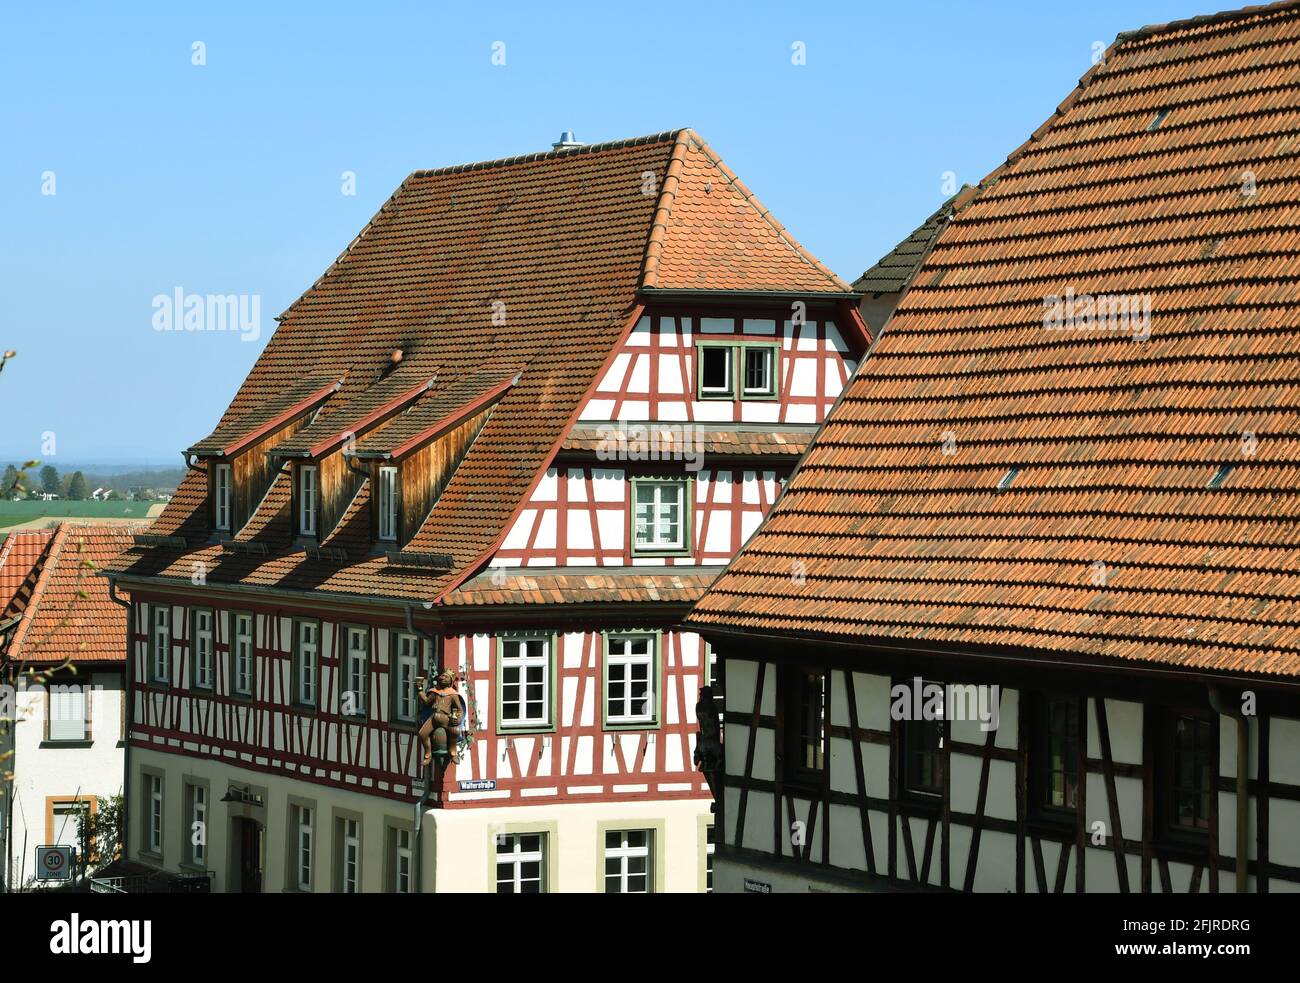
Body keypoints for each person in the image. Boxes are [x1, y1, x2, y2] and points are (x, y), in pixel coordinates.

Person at [417, 669, 466, 767]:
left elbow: (459, 709)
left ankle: (453, 752)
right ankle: (428, 754)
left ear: (450, 681)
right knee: (422, 733)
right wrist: (419, 689)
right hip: (434, 718)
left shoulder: (453, 695)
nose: (443, 678)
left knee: (455, 731)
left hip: (446, 719)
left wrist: (458, 719)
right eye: (442, 676)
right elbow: (426, 701)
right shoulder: (435, 692)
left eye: (446, 677)